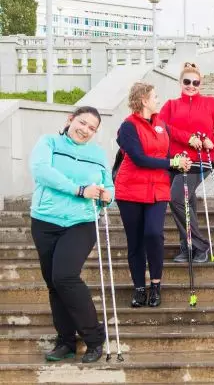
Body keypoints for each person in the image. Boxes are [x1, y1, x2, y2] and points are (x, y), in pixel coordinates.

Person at [29, 106, 113, 363]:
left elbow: (107, 186)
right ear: (70, 119)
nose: (85, 130)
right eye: (83, 123)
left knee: (65, 276)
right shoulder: (49, 142)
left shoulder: (98, 154)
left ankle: (94, 337)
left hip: (80, 223)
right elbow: (42, 172)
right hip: (44, 221)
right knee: (54, 284)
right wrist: (78, 189)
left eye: (92, 128)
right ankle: (65, 340)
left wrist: (107, 197)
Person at [114, 82, 192, 308]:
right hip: (130, 189)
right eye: (154, 96)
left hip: (157, 189)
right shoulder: (128, 126)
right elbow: (138, 158)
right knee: (135, 242)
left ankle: (155, 285)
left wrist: (179, 165)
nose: (158, 100)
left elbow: (165, 158)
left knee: (153, 234)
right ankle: (139, 288)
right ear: (143, 100)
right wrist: (171, 161)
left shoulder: (162, 126)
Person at [159, 62, 214, 263]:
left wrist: (211, 142)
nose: (191, 85)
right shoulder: (171, 105)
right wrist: (187, 138)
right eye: (187, 81)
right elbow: (162, 127)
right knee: (186, 202)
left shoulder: (211, 104)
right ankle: (187, 248)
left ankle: (200, 245)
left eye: (195, 82)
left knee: (177, 198)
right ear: (180, 83)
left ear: (201, 83)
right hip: (175, 160)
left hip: (200, 161)